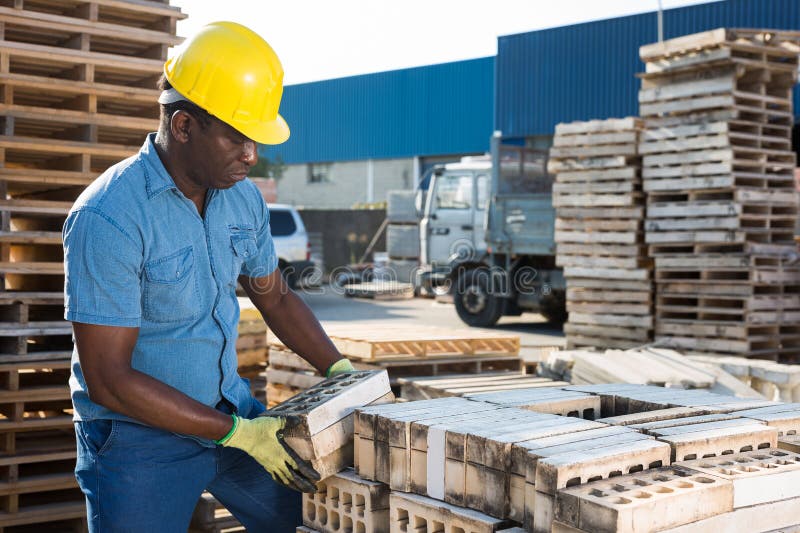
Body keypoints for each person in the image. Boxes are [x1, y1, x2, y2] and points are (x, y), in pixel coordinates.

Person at [62, 21, 354, 532]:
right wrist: (236, 433)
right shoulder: (108, 217)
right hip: (137, 439)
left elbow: (276, 299)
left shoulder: (240, 197)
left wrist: (341, 371)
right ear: (182, 126)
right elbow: (110, 380)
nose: (251, 155)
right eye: (238, 138)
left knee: (312, 519)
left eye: (256, 140)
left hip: (233, 413)